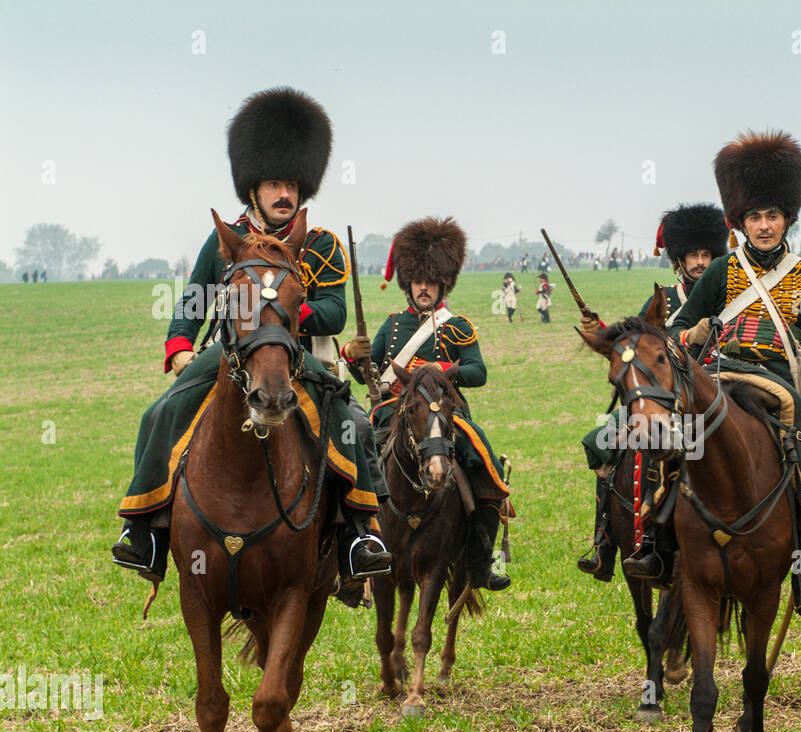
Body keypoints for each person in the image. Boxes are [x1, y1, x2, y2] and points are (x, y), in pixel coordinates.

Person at [112, 87, 389, 590]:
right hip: (231, 356)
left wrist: (286, 308)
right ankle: (145, 530)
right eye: (274, 184)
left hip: (297, 355)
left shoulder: (320, 246)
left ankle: (358, 536)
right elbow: (193, 301)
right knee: (160, 413)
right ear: (254, 188)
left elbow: (334, 311)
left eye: (292, 185)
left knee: (356, 425)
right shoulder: (226, 241)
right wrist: (178, 346)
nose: (285, 194)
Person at [657, 130, 801, 615]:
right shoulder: (721, 270)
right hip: (720, 376)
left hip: (779, 386)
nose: (764, 226)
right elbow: (672, 332)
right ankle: (655, 547)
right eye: (754, 217)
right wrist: (695, 332)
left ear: (787, 218)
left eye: (772, 216)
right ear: (741, 222)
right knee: (660, 451)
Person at [347, 217, 510, 591]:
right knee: (355, 454)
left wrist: (440, 368)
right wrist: (353, 355)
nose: (424, 288)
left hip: (445, 412)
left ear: (442, 284)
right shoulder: (391, 325)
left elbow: (478, 372)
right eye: (418, 281)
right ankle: (356, 548)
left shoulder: (458, 327)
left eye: (431, 281)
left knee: (481, 458)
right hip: (393, 409)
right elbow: (368, 375)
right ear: (408, 283)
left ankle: (480, 557)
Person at [576, 203, 729, 580]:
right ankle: (606, 540)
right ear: (679, 260)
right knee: (604, 439)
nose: (700, 261)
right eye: (693, 255)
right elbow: (638, 347)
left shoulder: (730, 295)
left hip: (718, 389)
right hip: (663, 395)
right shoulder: (666, 299)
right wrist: (601, 330)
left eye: (706, 254)